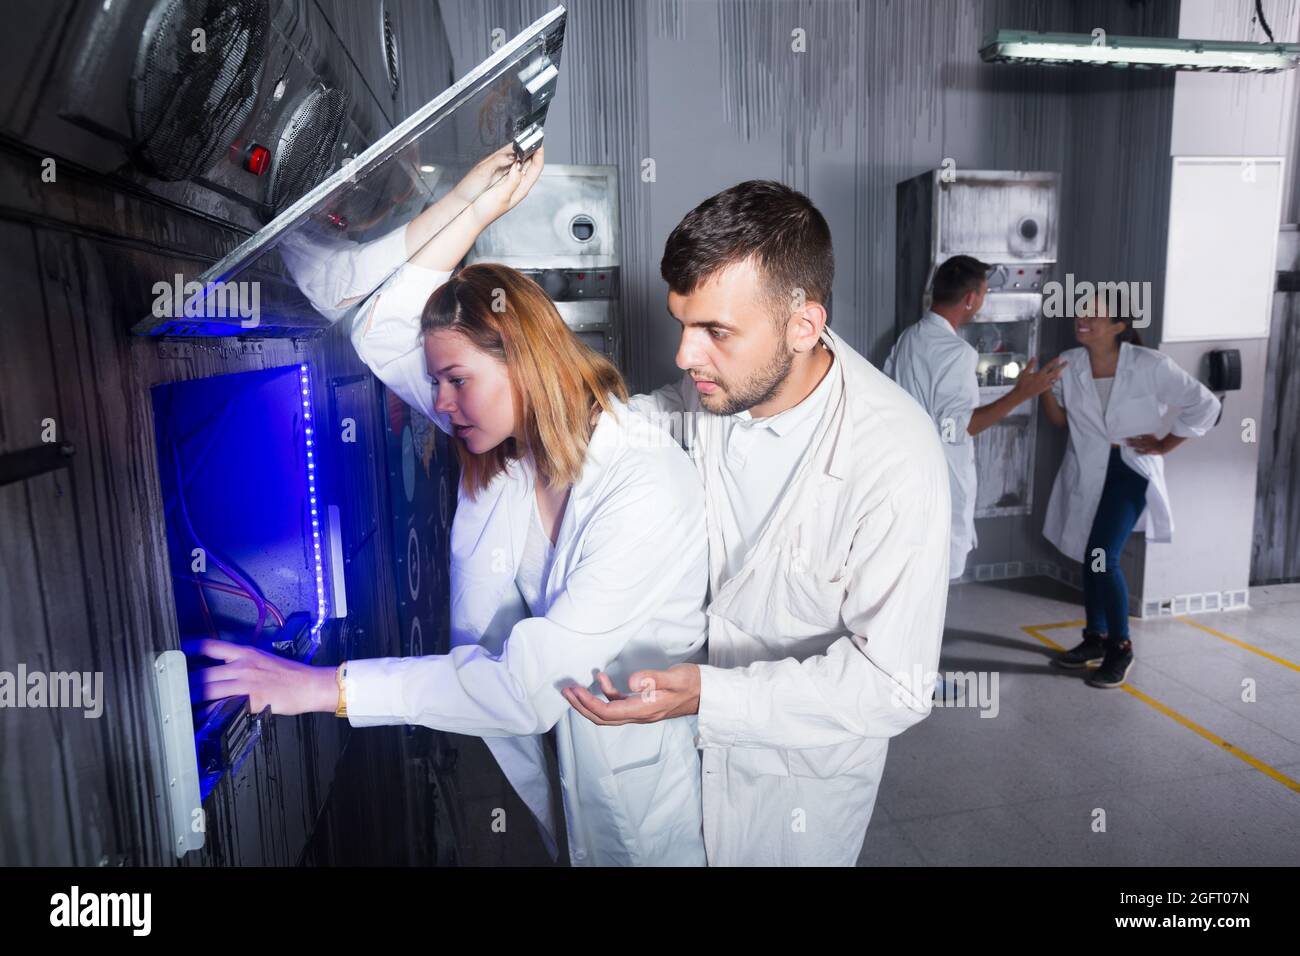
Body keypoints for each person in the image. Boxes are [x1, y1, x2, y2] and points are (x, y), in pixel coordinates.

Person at [187, 149, 710, 867]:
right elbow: (381, 328)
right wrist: (472, 204)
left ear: (523, 358)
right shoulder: (512, 442)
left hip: (639, 790)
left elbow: (527, 689)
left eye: (455, 379)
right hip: (562, 763)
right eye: (437, 381)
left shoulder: (644, 483)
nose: (438, 402)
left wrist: (326, 689)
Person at [561, 181, 952, 866]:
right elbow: (663, 413)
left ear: (803, 325)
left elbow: (895, 683)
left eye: (715, 331)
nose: (685, 354)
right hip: (692, 758)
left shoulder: (895, 454)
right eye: (683, 322)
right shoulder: (723, 388)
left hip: (801, 786)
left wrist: (712, 695)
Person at [1041, 299, 1220, 688]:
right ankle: (1095, 638)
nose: (1082, 320)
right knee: (1093, 557)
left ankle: (1120, 646)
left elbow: (1205, 404)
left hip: (1129, 472)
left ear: (1119, 325)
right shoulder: (1068, 363)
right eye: (1079, 313)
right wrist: (1040, 388)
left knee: (1103, 555)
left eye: (1094, 315)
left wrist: (1166, 444)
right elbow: (1058, 421)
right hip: (1087, 472)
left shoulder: (1150, 364)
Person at [885, 254, 1064, 578]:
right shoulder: (957, 353)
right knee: (935, 579)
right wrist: (1021, 393)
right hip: (941, 479)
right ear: (971, 299)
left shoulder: (909, 337)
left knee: (913, 575)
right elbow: (960, 426)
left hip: (908, 474)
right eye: (983, 293)